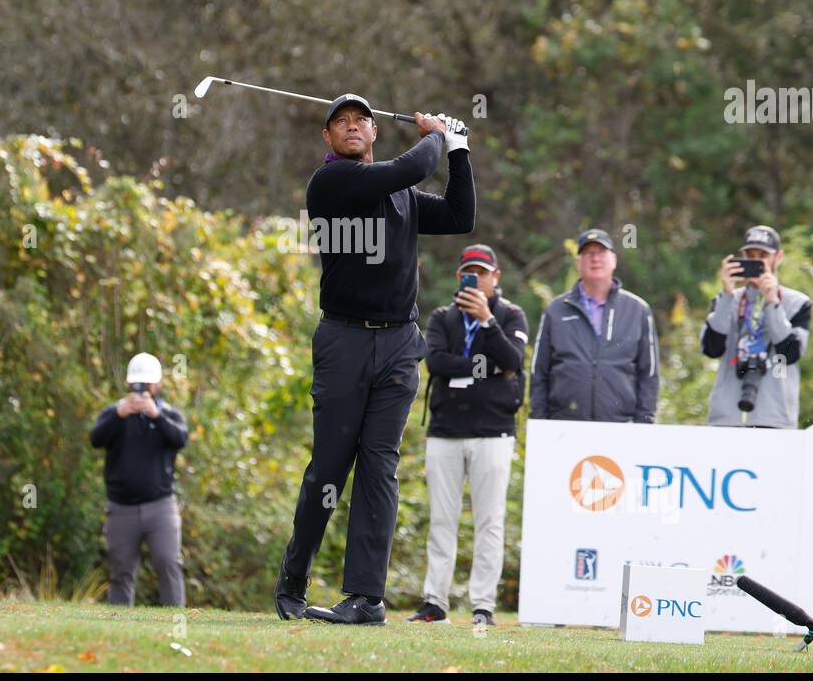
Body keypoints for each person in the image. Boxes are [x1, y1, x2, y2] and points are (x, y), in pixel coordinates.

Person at [275, 94, 475, 625]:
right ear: (329, 139)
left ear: (373, 131)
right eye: (339, 123)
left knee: (379, 468)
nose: (351, 127)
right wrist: (436, 133)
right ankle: (293, 581)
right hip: (343, 340)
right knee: (330, 469)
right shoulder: (331, 183)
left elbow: (460, 215)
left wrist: (458, 151)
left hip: (399, 345)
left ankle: (365, 598)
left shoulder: (403, 194)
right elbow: (410, 164)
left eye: (361, 120)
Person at [407, 244, 528, 627]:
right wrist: (485, 369)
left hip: (493, 432)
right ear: (461, 277)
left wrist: (488, 323)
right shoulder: (444, 316)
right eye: (469, 273)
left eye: (483, 273)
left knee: (489, 521)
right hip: (446, 431)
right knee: (442, 520)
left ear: (496, 277)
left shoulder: (511, 315)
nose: (476, 279)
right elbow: (435, 361)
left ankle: (483, 606)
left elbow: (512, 362)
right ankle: (434, 602)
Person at [529, 229, 659, 423]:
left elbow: (649, 374)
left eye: (601, 252)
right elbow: (539, 371)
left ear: (614, 260)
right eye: (588, 253)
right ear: (578, 262)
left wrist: (643, 423)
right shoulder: (556, 310)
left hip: (620, 425)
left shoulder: (638, 309)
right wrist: (540, 421)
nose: (595, 259)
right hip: (564, 425)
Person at [90, 352, 189, 606]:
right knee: (121, 571)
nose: (142, 389)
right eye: (138, 384)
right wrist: (120, 415)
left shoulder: (169, 415)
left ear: (157, 385)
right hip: (121, 507)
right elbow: (96, 439)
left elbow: (180, 439)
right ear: (128, 383)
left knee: (169, 563)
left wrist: (155, 415)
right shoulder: (114, 413)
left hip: (160, 506)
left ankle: (175, 622)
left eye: (147, 384)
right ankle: (120, 624)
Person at [700, 225, 812, 428]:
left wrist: (772, 303)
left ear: (778, 258)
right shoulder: (726, 300)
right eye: (749, 255)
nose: (755, 261)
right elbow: (711, 348)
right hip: (727, 419)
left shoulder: (797, 303)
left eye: (762, 256)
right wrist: (726, 294)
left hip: (774, 419)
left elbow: (789, 354)